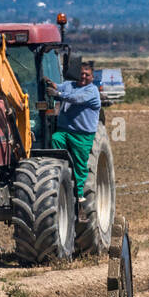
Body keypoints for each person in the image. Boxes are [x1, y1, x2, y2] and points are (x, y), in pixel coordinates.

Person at [47, 62, 100, 199]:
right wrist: (49, 82)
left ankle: (80, 195)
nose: (83, 76)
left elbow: (77, 98)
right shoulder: (70, 85)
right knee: (55, 139)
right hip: (65, 131)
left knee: (80, 164)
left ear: (92, 77)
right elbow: (57, 87)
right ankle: (61, 169)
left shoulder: (92, 91)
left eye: (87, 75)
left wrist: (58, 93)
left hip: (82, 135)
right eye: (81, 73)